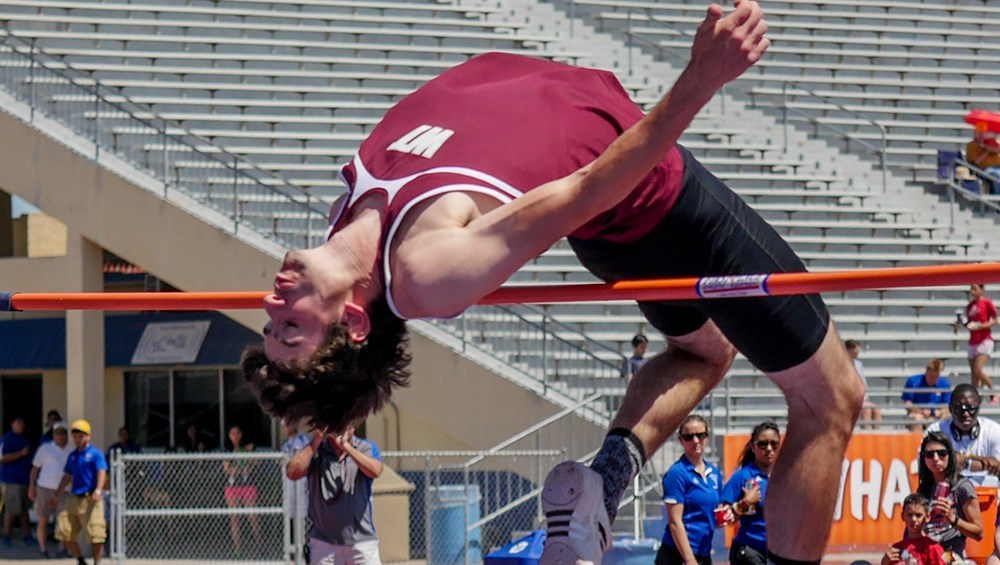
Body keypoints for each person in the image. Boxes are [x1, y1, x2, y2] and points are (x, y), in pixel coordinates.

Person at [240, 3, 865, 563]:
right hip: (661, 206)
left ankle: (603, 483)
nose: (272, 302)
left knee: (702, 353)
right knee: (832, 399)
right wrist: (702, 78)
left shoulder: (347, 217)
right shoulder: (426, 273)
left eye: (270, 322)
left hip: (619, 228)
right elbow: (586, 188)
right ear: (353, 323)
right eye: (290, 327)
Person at [286, 424, 383, 564]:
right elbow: (292, 472)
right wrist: (316, 441)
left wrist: (347, 447)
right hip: (324, 542)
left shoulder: (364, 447)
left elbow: (376, 470)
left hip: (362, 541)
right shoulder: (316, 450)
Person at [656, 415, 728, 565]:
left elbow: (714, 516)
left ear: (707, 437)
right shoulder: (677, 473)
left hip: (703, 553)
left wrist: (729, 515)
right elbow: (675, 521)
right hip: (678, 555)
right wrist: (689, 560)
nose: (695, 441)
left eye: (700, 435)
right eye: (688, 437)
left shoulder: (714, 473)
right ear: (681, 440)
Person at [916, 431, 983, 561]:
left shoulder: (962, 486)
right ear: (923, 459)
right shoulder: (924, 487)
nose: (936, 459)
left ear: (950, 455)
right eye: (929, 455)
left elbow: (978, 532)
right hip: (925, 549)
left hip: (950, 551)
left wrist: (952, 518)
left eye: (941, 453)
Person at [722, 421, 780, 565]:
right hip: (750, 551)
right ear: (753, 447)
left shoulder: (785, 477)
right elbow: (721, 517)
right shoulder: (742, 476)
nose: (769, 448)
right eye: (762, 444)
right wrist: (744, 504)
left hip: (778, 552)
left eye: (774, 444)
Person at [53, 419, 108, 565]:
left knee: (96, 534)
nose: (78, 439)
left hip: (91, 498)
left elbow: (101, 472)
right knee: (65, 532)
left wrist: (98, 490)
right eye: (75, 436)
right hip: (74, 497)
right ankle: (81, 561)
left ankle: (98, 561)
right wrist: (57, 493)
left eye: (81, 436)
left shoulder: (96, 454)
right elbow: (67, 476)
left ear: (88, 436)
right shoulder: (72, 456)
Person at [29, 422, 72, 558]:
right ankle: (43, 549)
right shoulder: (45, 448)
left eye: (63, 433)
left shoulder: (71, 450)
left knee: (63, 520)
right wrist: (31, 486)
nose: (61, 436)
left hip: (64, 490)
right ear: (53, 435)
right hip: (44, 488)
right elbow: (35, 469)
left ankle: (62, 548)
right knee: (43, 519)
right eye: (58, 433)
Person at [222, 425, 262, 557]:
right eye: (231, 433)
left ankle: (259, 545)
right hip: (233, 487)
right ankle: (237, 548)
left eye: (236, 433)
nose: (234, 436)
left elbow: (256, 462)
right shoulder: (228, 451)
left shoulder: (247, 448)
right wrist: (236, 471)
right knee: (235, 518)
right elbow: (226, 468)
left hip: (247, 485)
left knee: (253, 516)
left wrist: (249, 464)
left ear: (241, 434)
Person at [956, 284, 998, 405]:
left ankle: (992, 390)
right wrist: (963, 325)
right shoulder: (970, 306)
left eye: (975, 289)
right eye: (971, 289)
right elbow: (969, 322)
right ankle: (975, 397)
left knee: (978, 369)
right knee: (974, 374)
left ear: (981, 290)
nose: (972, 291)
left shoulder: (986, 303)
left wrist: (981, 325)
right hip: (973, 340)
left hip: (984, 339)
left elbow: (994, 320)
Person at [880, 493, 946, 565]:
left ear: (927, 517)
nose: (913, 519)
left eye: (918, 515)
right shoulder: (897, 549)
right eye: (909, 515)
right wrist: (885, 562)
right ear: (903, 516)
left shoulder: (933, 548)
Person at [1, 417, 35, 548]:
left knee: (24, 509)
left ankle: (26, 536)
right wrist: (20, 454)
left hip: (25, 479)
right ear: (12, 424)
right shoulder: (6, 439)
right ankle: (6, 536)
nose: (21, 425)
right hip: (11, 480)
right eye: (18, 423)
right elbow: (3, 458)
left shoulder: (26, 441)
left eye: (23, 423)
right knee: (11, 509)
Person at [281, 419, 311, 559]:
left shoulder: (304, 441)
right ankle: (293, 551)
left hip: (302, 485)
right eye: (285, 425)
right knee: (291, 516)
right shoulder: (285, 446)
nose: (287, 427)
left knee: (304, 517)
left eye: (289, 424)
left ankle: (305, 550)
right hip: (290, 486)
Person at [902, 360, 952, 431]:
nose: (933, 379)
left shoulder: (944, 384)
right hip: (918, 413)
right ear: (926, 371)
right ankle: (918, 441)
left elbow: (948, 405)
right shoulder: (913, 382)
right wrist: (920, 411)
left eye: (935, 377)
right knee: (917, 418)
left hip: (937, 415)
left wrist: (941, 412)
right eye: (931, 376)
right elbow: (907, 403)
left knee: (949, 417)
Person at [847, 339, 882, 430]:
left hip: (861, 397)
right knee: (867, 410)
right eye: (855, 352)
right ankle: (867, 433)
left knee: (877, 410)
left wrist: (865, 396)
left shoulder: (859, 364)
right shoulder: (842, 364)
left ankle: (877, 434)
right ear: (848, 351)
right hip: (849, 397)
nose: (857, 355)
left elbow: (863, 381)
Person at [967, 122, 1000, 194]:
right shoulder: (972, 145)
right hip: (985, 168)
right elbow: (975, 162)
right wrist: (987, 151)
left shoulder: (990, 143)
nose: (981, 136)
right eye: (979, 133)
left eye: (983, 133)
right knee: (997, 176)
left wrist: (985, 146)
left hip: (998, 166)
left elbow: (998, 150)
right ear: (975, 134)